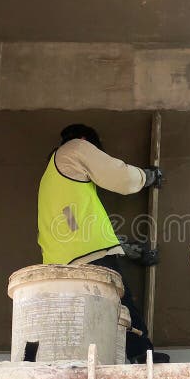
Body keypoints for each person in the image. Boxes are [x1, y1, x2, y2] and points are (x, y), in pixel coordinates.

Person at [37, 123, 167, 364]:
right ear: (86, 141)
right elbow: (119, 176)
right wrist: (147, 177)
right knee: (120, 309)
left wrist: (126, 249)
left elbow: (74, 223)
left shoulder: (52, 176)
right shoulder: (76, 148)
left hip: (58, 267)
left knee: (85, 324)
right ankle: (143, 361)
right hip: (87, 258)